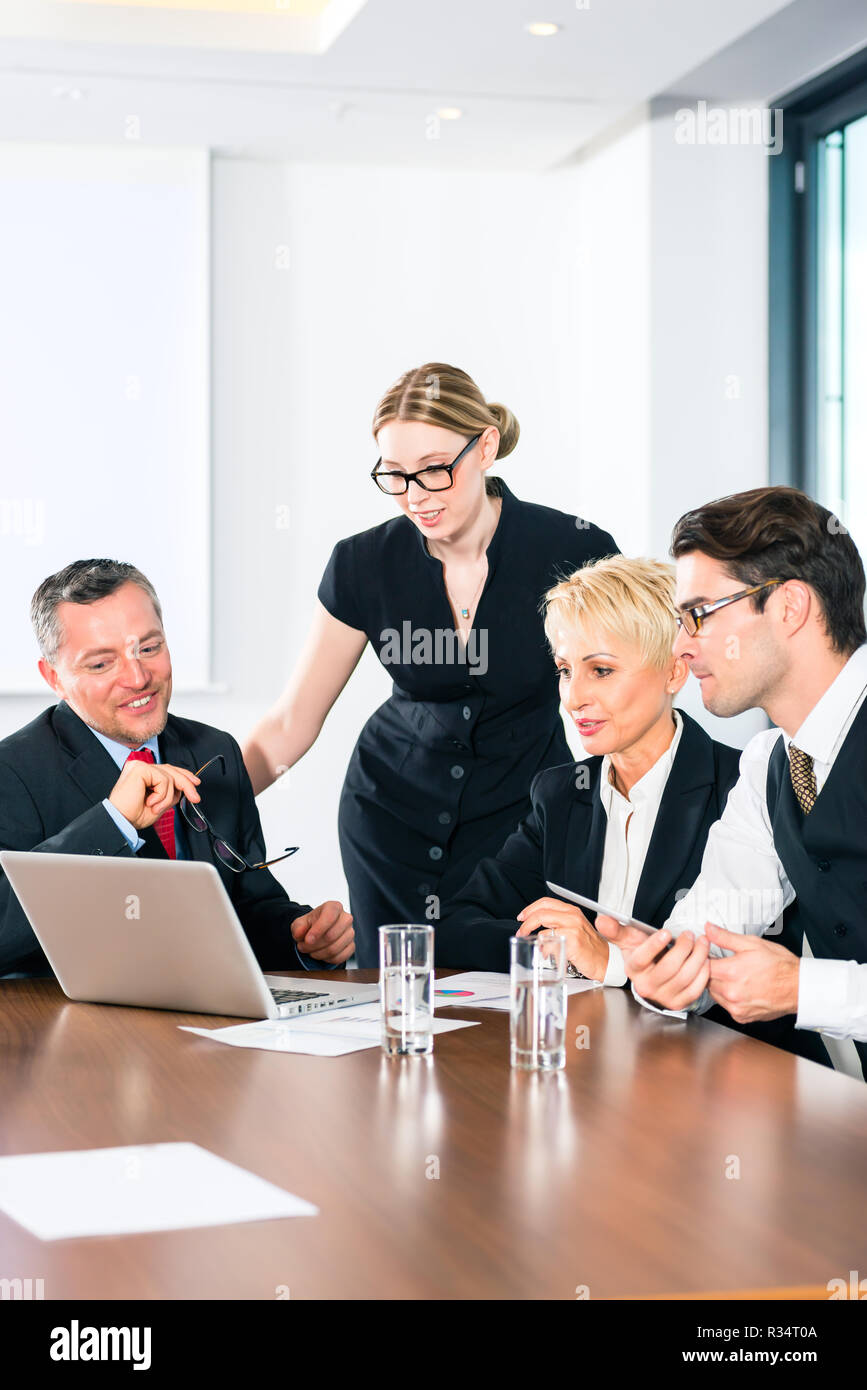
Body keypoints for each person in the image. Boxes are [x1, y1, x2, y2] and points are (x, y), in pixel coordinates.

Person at [243, 363, 618, 966]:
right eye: (395, 476)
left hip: (523, 826)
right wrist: (194, 816)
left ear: (486, 446)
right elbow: (292, 723)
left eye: (437, 470)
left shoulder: (576, 550)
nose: (417, 495)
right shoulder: (363, 562)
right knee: (395, 1007)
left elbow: (624, 695)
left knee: (511, 1007)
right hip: (388, 818)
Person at [598, 487, 867, 1081]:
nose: (682, 646)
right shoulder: (771, 763)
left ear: (790, 607)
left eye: (699, 613)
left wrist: (806, 988)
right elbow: (707, 930)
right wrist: (665, 976)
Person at [0, 559, 353, 978]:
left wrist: (301, 936)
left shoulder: (214, 749)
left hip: (206, 1021)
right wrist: (114, 822)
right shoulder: (13, 770)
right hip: (74, 1027)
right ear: (54, 678)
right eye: (100, 664)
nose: (137, 677)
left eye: (149, 648)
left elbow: (248, 906)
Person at [435, 556, 741, 975]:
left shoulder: (742, 788)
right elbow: (456, 928)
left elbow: (741, 971)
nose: (573, 696)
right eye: (565, 670)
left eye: (601, 670)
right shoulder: (560, 793)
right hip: (589, 1036)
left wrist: (605, 958)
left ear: (674, 673)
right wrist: (558, 948)